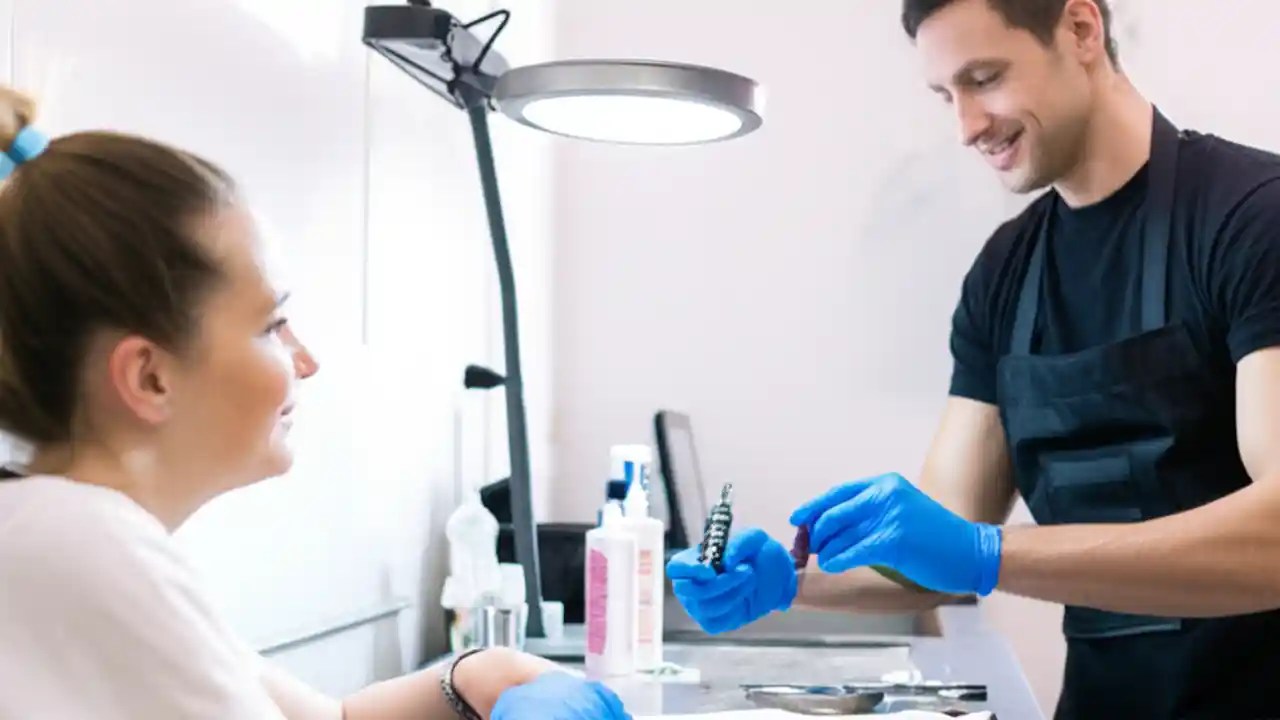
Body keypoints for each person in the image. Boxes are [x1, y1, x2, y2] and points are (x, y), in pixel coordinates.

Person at [668, 1, 1280, 718]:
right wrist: (788, 582)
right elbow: (937, 555)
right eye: (945, 95)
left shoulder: (1253, 221)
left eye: (984, 78)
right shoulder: (1006, 275)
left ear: (1081, 29)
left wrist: (988, 554)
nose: (965, 127)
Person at [0, 86, 630, 720]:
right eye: (271, 325)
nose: (305, 361)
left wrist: (482, 672)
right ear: (150, 377)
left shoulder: (59, 529)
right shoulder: (82, 542)